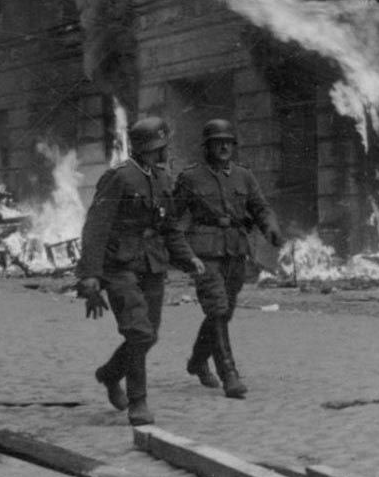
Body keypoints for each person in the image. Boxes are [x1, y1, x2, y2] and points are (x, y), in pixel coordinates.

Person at [76, 116, 206, 426]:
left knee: (150, 335)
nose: (165, 151)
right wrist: (90, 275)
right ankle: (138, 401)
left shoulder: (162, 178)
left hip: (152, 264)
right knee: (139, 332)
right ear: (150, 148)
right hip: (119, 265)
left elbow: (170, 226)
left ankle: (109, 373)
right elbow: (96, 227)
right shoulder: (118, 178)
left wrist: (189, 258)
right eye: (162, 146)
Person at [173, 119, 284, 399]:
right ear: (207, 146)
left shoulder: (244, 176)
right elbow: (172, 218)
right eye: (217, 142)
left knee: (224, 312)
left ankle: (197, 361)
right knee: (218, 308)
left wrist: (270, 227)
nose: (223, 146)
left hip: (235, 251)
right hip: (205, 252)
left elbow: (260, 206)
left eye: (228, 142)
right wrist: (181, 253)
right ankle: (229, 375)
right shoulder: (190, 178)